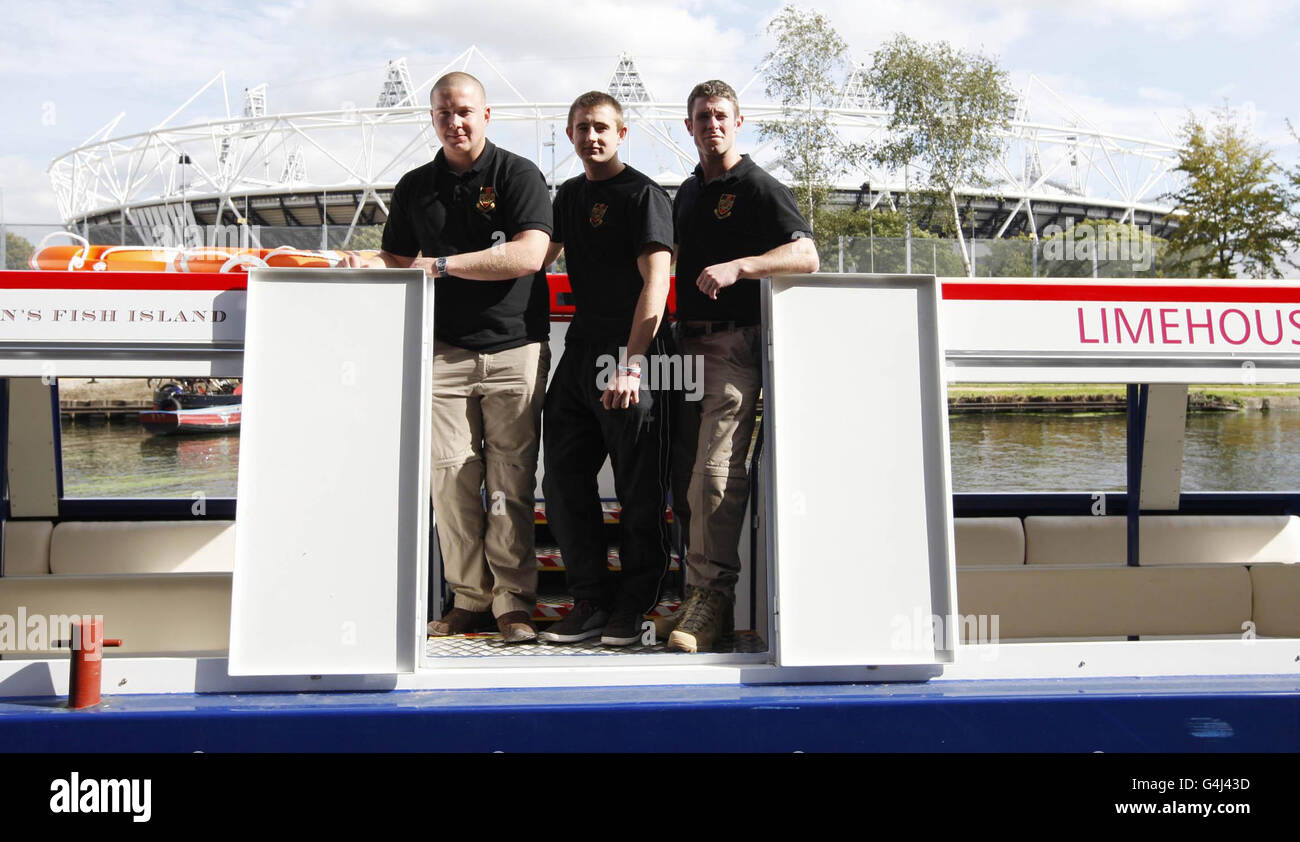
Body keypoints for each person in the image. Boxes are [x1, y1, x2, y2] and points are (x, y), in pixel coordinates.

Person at [340, 72, 552, 643]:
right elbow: (396, 258)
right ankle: (469, 599)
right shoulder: (415, 186)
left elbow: (531, 254)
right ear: (432, 119)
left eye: (464, 111)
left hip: (515, 350)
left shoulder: (517, 174)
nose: (454, 122)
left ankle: (514, 601)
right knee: (450, 481)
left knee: (510, 478)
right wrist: (366, 264)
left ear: (487, 114)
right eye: (442, 114)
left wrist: (440, 264)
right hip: (441, 352)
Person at [667, 79, 819, 653]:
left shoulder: (757, 186)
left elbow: (806, 254)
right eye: (702, 116)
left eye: (722, 116)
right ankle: (696, 595)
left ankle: (714, 597)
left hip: (734, 346)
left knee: (715, 474)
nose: (712, 125)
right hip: (684, 347)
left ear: (739, 121)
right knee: (683, 476)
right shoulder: (685, 193)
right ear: (689, 126)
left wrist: (741, 266)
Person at [538, 91, 675, 646]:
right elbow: (535, 258)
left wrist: (632, 365)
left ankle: (633, 605)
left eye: (600, 127)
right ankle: (591, 599)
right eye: (580, 128)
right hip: (580, 354)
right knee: (564, 479)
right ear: (570, 136)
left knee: (640, 489)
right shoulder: (568, 196)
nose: (590, 137)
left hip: (633, 357)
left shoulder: (644, 194)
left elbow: (657, 282)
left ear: (621, 134)